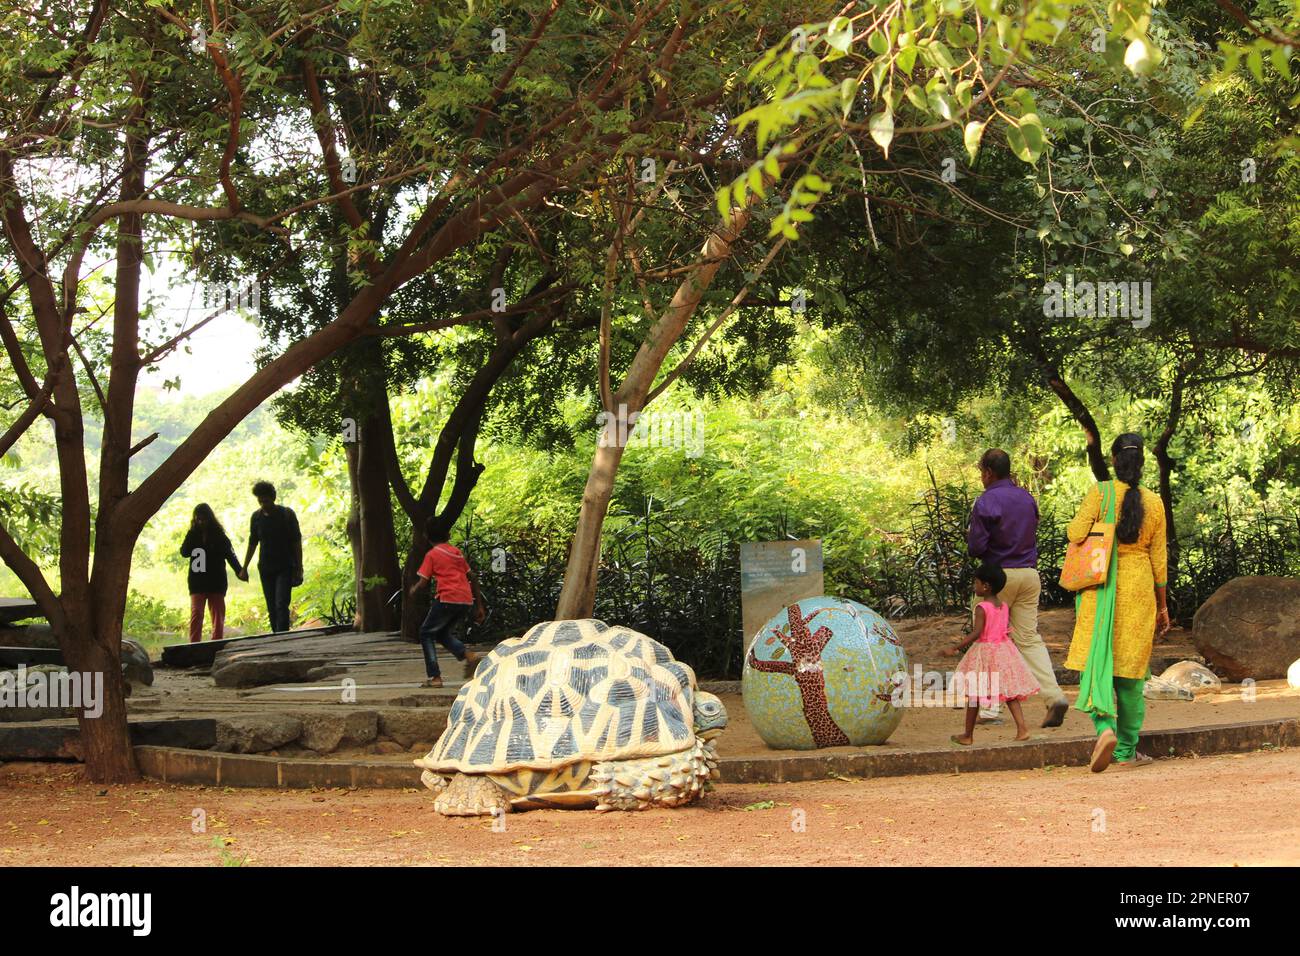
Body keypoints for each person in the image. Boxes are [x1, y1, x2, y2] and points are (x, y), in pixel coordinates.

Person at [1066, 433, 1170, 773]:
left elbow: (1075, 534)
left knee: (1097, 660)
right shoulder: (1154, 503)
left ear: (1113, 460)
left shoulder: (1100, 493)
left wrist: (1097, 524)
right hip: (1139, 588)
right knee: (1131, 674)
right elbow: (1159, 560)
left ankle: (1104, 729)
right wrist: (1163, 606)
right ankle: (1126, 751)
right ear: (1142, 462)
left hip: (1101, 587)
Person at [967, 448, 1071, 728]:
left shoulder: (987, 501)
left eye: (981, 472)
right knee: (1029, 639)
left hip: (997, 578)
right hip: (1029, 575)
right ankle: (1054, 695)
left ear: (988, 472)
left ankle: (989, 708)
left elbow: (975, 547)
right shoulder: (1026, 497)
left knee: (988, 639)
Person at [943, 563, 1039, 744]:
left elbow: (977, 632)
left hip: (985, 653)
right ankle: (1022, 729)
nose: (974, 586)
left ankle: (968, 735)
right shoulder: (1003, 606)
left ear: (986, 586)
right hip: (1004, 651)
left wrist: (955, 647)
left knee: (974, 693)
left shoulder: (982, 607)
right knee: (1010, 693)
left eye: (976, 583)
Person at [408, 517, 487, 688]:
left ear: (426, 536)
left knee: (425, 633)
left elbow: (423, 582)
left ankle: (435, 677)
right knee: (441, 634)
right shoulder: (456, 552)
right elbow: (472, 577)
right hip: (465, 600)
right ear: (448, 535)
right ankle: (469, 656)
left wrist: (413, 590)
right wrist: (479, 605)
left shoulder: (432, 555)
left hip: (447, 598)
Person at [241, 481, 302, 633]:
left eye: (266, 501)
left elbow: (296, 542)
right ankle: (277, 635)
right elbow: (252, 543)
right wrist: (244, 567)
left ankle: (282, 636)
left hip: (285, 566)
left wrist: (299, 567)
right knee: (271, 606)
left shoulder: (287, 514)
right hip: (265, 568)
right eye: (260, 501)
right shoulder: (256, 518)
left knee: (281, 603)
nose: (263, 504)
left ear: (273, 497)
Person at [180, 504, 243, 643]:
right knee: (197, 613)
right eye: (198, 520)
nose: (201, 522)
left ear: (210, 519)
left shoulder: (220, 536)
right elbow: (184, 552)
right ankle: (194, 644)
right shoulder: (192, 534)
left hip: (216, 582)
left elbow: (231, 556)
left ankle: (217, 644)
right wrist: (192, 534)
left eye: (204, 519)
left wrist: (240, 571)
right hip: (197, 582)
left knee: (217, 616)